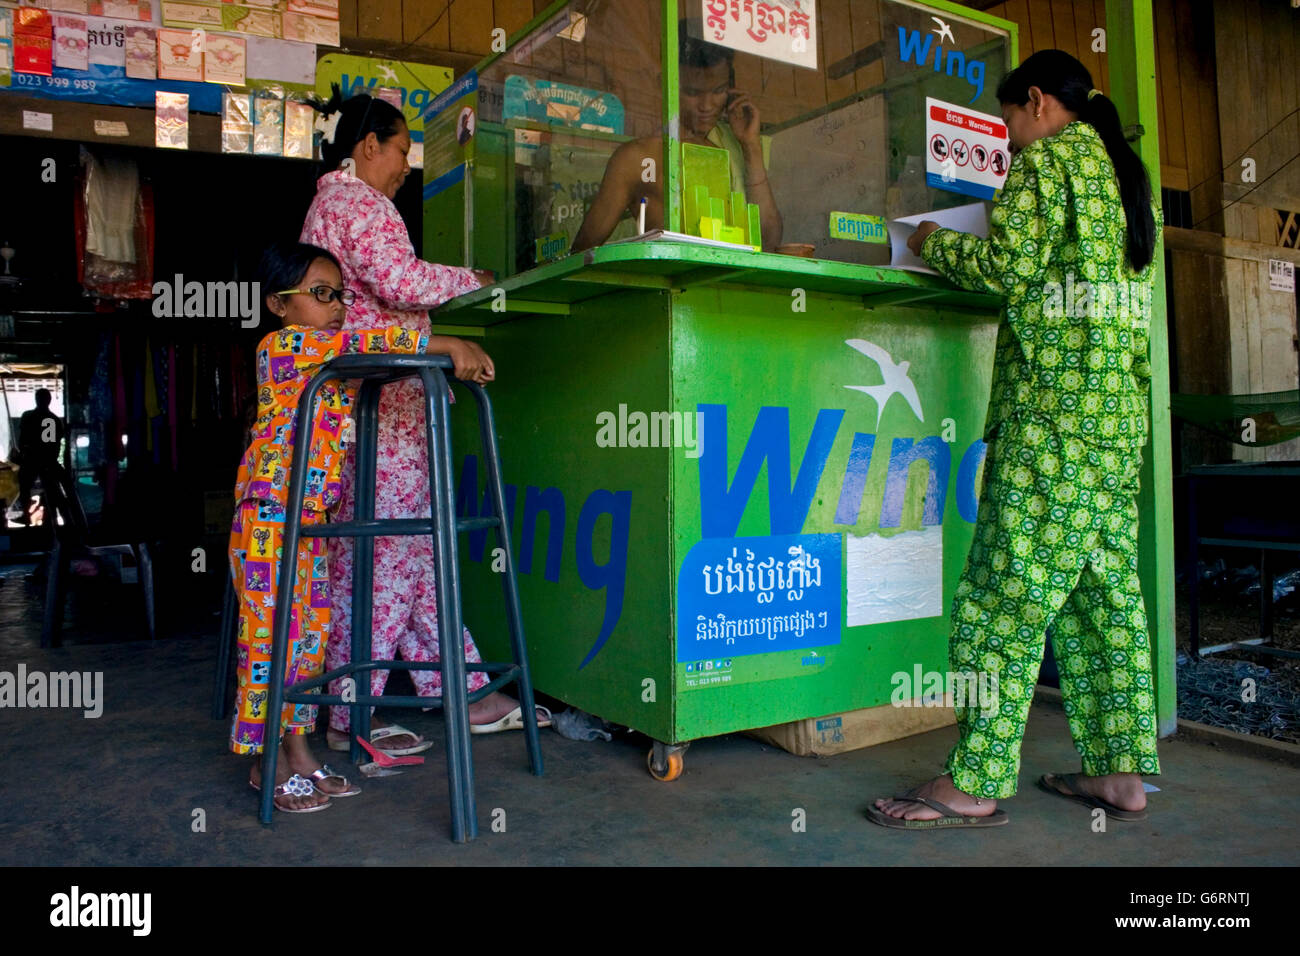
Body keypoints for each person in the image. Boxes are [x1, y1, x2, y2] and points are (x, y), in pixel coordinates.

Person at [869, 50, 1162, 829]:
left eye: (1008, 119)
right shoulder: (1129, 182)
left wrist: (930, 240)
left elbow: (1006, 268)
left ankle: (976, 780)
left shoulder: (1046, 163)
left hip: (1051, 422)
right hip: (1114, 425)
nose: (1007, 135)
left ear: (1036, 101)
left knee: (1004, 599)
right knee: (1106, 601)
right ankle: (1121, 777)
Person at [302, 87, 550, 756]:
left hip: (366, 406)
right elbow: (401, 282)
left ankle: (462, 692)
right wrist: (474, 279)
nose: (406, 166)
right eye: (402, 150)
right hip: (384, 402)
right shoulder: (360, 202)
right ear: (368, 146)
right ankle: (351, 709)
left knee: (403, 551)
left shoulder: (328, 204)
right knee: (392, 555)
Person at [231, 241, 493, 812]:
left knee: (304, 636)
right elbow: (360, 343)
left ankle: (299, 750)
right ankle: (265, 759)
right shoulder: (284, 346)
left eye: (340, 296)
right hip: (268, 519)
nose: (337, 306)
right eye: (322, 295)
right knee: (269, 638)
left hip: (307, 520)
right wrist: (443, 342)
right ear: (278, 303)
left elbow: (364, 354)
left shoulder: (324, 361)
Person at [570, 25, 782, 252]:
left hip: (735, 285)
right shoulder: (638, 158)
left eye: (718, 90)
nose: (707, 105)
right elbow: (583, 253)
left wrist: (751, 146)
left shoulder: (736, 146)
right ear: (666, 85)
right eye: (692, 93)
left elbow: (768, 241)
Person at [16, 388, 67, 526]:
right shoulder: (51, 419)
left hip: (36, 460)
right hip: (44, 460)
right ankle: (52, 519)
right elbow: (50, 445)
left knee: (28, 488)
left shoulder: (30, 416)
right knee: (51, 491)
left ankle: (33, 517)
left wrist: (27, 453)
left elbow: (24, 440)